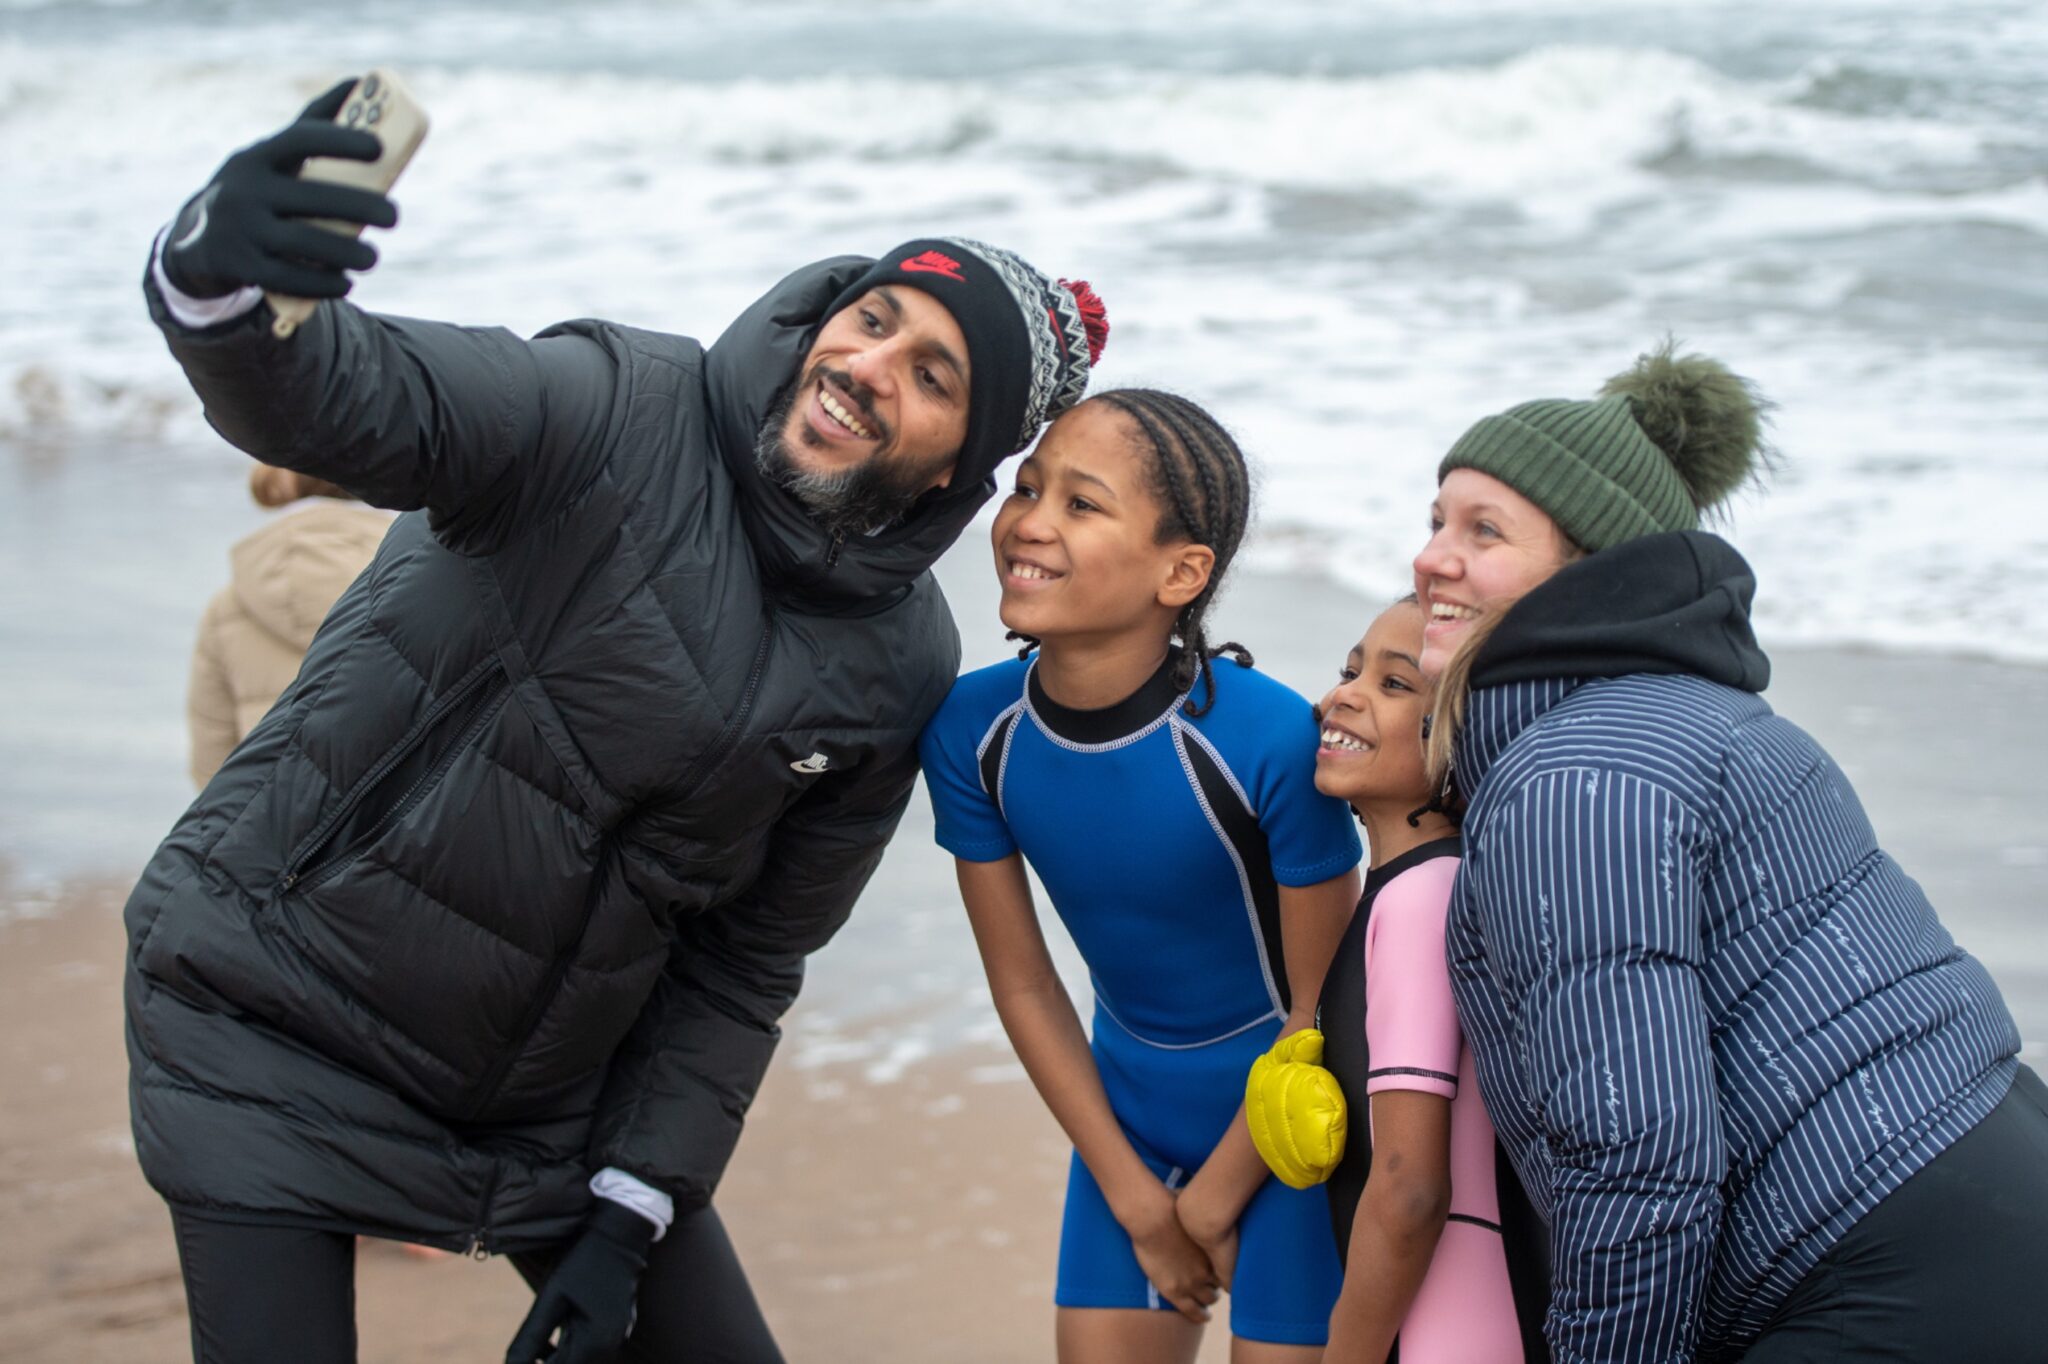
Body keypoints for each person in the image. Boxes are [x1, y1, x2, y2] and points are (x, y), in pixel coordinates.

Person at [125, 80, 1107, 1364]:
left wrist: (635, 1204)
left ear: (954, 464)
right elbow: (355, 397)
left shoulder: (901, 659)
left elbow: (744, 962)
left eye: (930, 374)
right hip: (273, 1013)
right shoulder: (606, 407)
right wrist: (220, 291)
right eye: (870, 318)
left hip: (547, 1102)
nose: (866, 368)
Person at [1412, 342, 2048, 1363]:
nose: (1430, 557)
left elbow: (1634, 1153)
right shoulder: (1707, 714)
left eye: (1483, 531)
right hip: (1984, 1168)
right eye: (1436, 519)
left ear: (1591, 568)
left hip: (1877, 1257)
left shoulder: (1573, 775)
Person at [918, 389, 1362, 1363]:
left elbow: (1321, 1004)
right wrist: (1133, 1194)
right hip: (1125, 1118)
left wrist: (1207, 1197)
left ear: (1181, 570)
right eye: (1027, 487)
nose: (1028, 520)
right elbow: (1025, 981)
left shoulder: (1266, 739)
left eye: (1080, 503)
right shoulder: (971, 730)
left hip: (1288, 1127)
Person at [1302, 595, 1547, 1363]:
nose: (1344, 695)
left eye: (1394, 684)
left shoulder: (1420, 899)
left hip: (1451, 1329)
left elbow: (1411, 1190)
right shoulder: (1424, 885)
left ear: (1460, 741)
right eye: (1350, 670)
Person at [186, 464, 390, 788]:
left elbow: (211, 771)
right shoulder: (435, 584)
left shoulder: (227, 608)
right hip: (403, 826)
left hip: (273, 827)